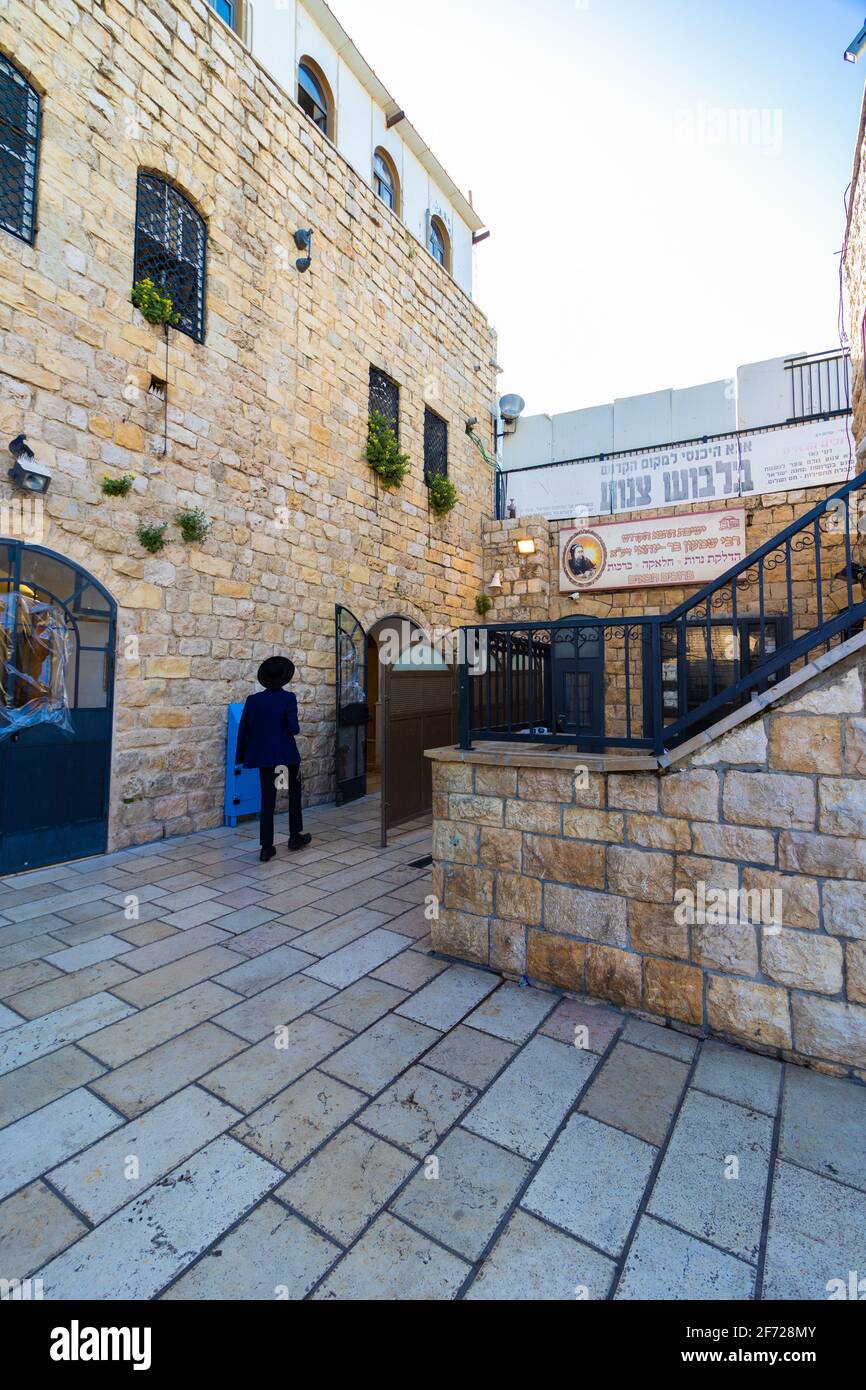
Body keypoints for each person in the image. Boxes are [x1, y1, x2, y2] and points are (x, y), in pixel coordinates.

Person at [236, 656, 312, 862]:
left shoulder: (253, 700)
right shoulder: (288, 698)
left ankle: (266, 847)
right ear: (284, 678)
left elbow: (243, 729)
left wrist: (242, 756)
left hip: (264, 760)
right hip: (285, 758)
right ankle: (294, 836)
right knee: (292, 795)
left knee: (267, 800)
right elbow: (294, 728)